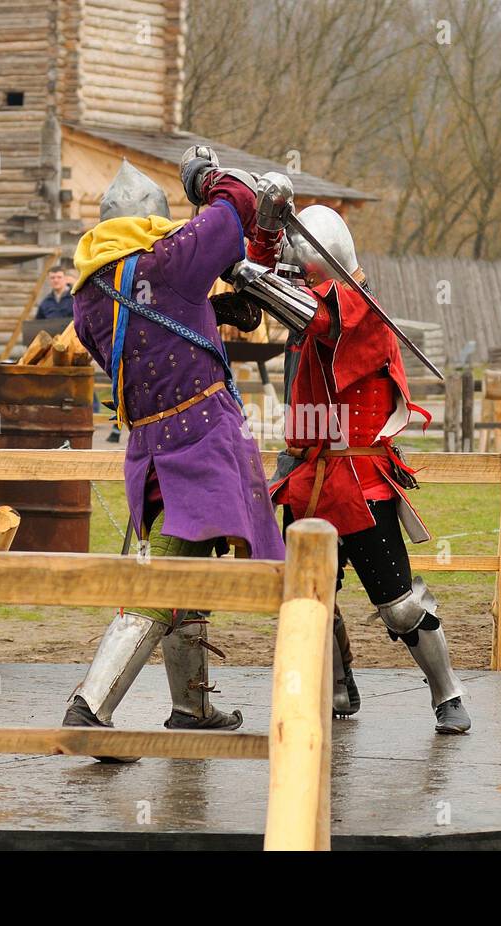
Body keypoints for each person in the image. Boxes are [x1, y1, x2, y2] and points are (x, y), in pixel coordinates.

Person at [61, 157, 283, 750]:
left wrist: (208, 308)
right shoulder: (173, 259)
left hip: (149, 447)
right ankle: (91, 706)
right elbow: (237, 202)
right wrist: (206, 179)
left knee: (188, 569)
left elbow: (147, 331)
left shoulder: (87, 296)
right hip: (203, 441)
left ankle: (191, 709)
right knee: (164, 575)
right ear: (154, 223)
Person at [268, 205, 471, 735]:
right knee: (310, 598)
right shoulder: (314, 306)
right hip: (309, 477)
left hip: (361, 483)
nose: (295, 275)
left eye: (301, 265)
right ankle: (336, 687)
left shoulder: (357, 313)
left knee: (399, 606)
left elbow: (310, 314)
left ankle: (447, 692)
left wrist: (248, 272)